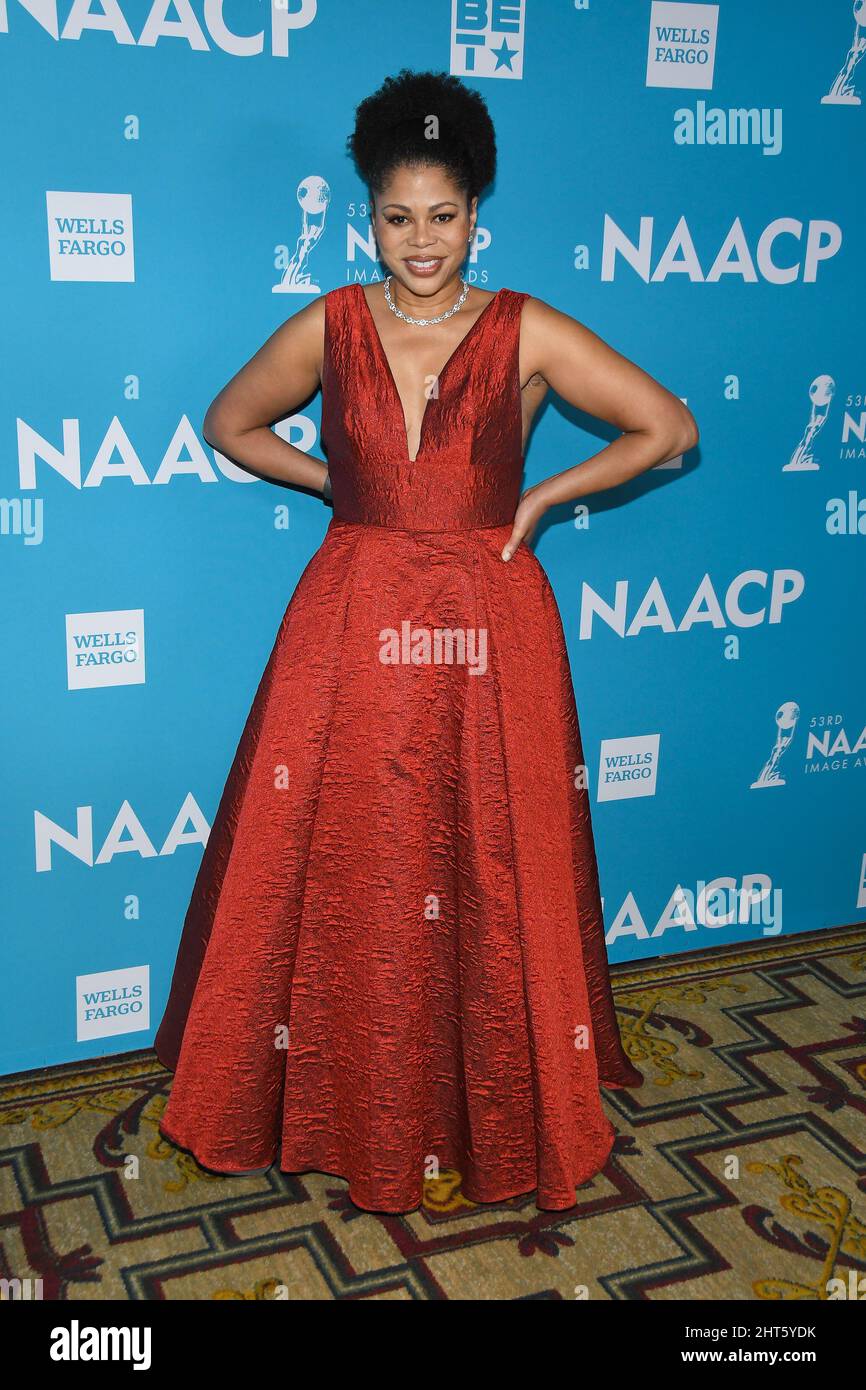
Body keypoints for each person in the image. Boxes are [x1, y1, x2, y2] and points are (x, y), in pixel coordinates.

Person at [154, 68, 698, 1213]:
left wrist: (542, 501)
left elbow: (668, 427)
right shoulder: (328, 322)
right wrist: (340, 491)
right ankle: (338, 1093)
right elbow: (228, 423)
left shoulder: (525, 327)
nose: (420, 241)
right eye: (397, 217)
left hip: (486, 623)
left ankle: (480, 1096)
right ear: (368, 217)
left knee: (481, 857)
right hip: (351, 617)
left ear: (473, 215)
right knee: (350, 858)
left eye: (441, 216)